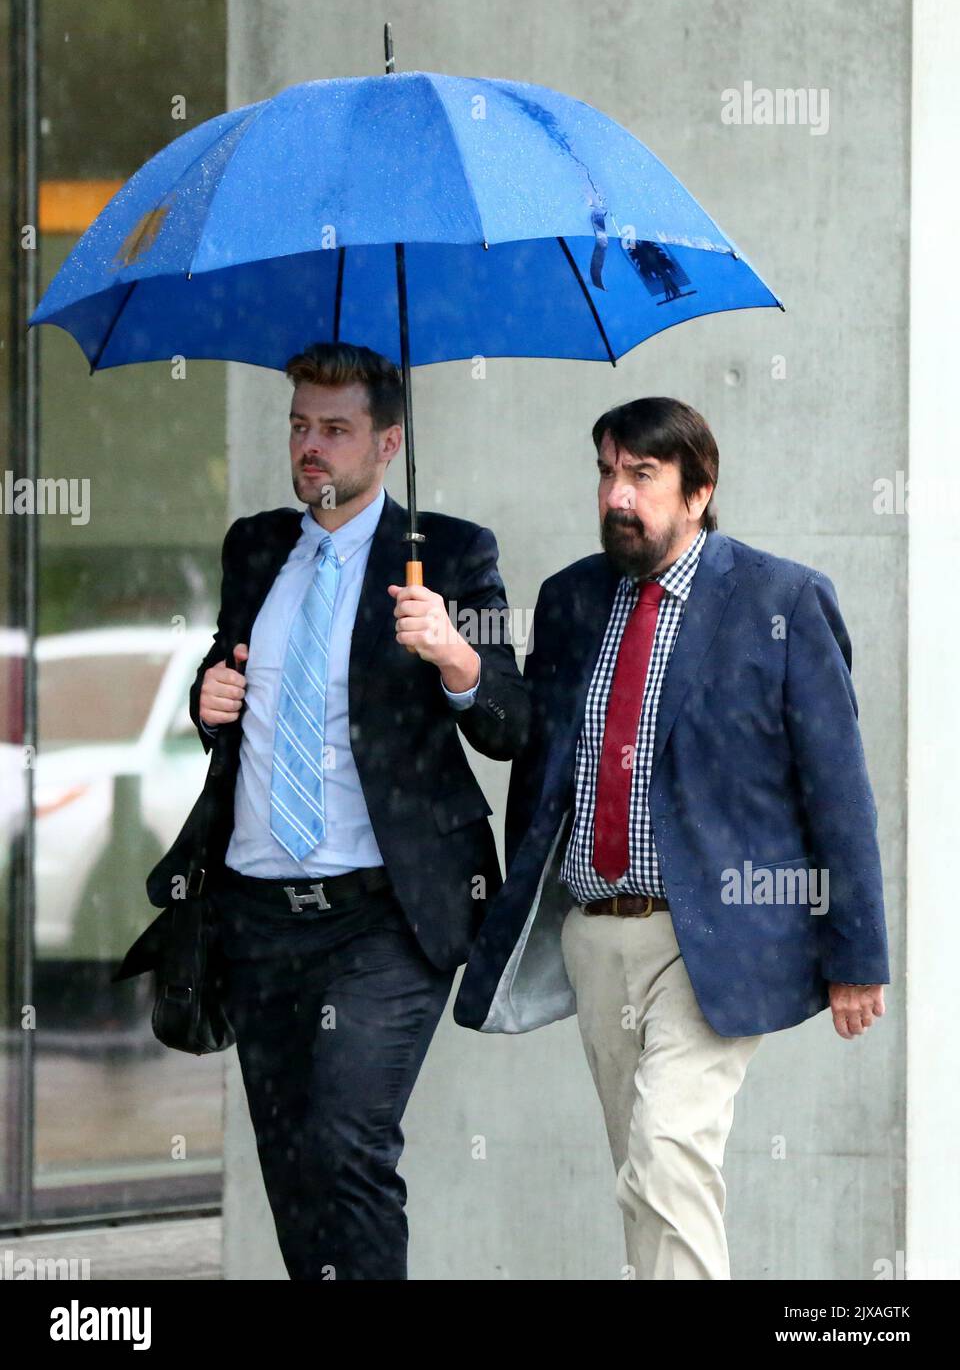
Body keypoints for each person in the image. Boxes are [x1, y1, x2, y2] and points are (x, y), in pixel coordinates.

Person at [454, 396, 889, 1280]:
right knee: (647, 1176)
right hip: (597, 933)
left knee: (665, 1152)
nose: (618, 494)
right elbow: (541, 757)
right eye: (608, 473)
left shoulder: (782, 599)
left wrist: (858, 954)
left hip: (713, 939)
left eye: (642, 476)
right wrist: (460, 668)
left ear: (699, 492)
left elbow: (839, 790)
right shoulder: (572, 598)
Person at [185, 340, 528, 1280]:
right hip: (256, 913)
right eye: (300, 425)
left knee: (347, 1144)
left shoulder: (448, 552)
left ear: (387, 445)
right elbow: (231, 680)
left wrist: (454, 655)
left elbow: (512, 719)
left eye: (335, 430)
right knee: (292, 1161)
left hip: (384, 914)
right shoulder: (256, 547)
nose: (311, 447)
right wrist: (206, 695)